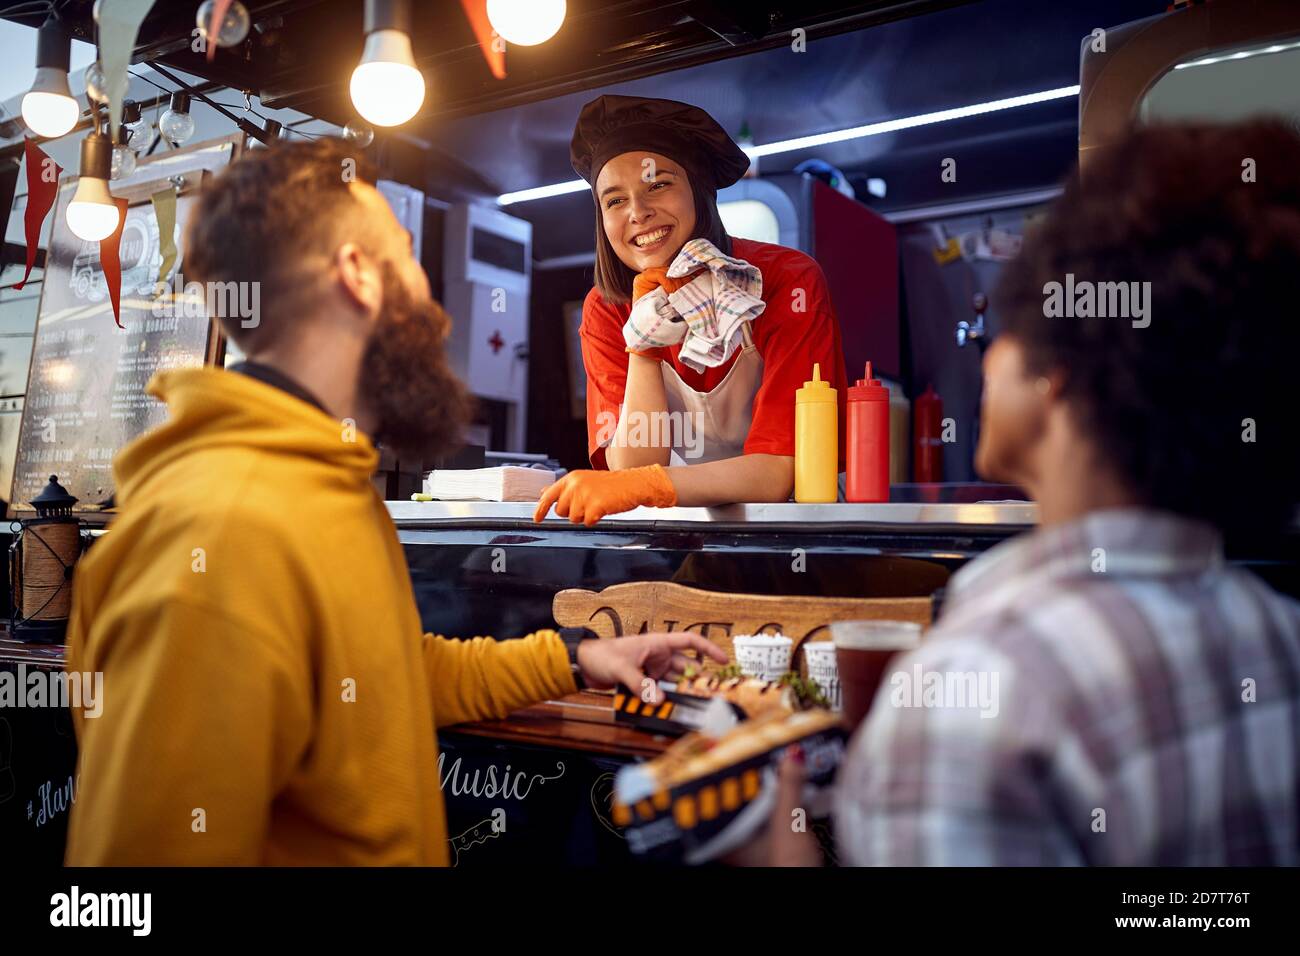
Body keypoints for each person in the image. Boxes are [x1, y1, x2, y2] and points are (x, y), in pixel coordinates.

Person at [64, 138, 726, 865]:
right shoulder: (219, 537)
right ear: (357, 274)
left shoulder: (329, 488)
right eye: (405, 253)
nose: (428, 291)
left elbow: (389, 679)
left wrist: (580, 657)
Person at [778, 120, 1300, 865]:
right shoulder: (1280, 633)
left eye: (1006, 333)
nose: (987, 366)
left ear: (1056, 371)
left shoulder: (980, 685)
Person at [534, 95, 849, 526]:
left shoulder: (788, 280)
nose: (639, 213)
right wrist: (643, 341)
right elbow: (630, 470)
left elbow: (778, 471)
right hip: (693, 528)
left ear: (699, 191)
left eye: (658, 184)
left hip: (800, 532)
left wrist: (647, 486)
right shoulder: (606, 311)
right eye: (614, 201)